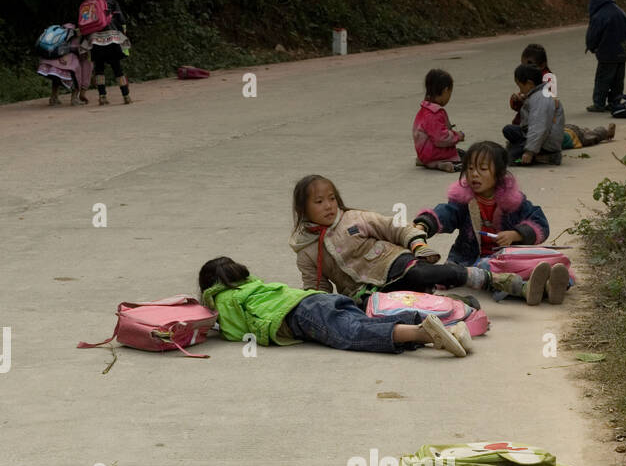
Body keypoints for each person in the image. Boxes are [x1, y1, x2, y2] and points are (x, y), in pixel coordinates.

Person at [290, 173, 514, 307]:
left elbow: (393, 227)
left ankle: (490, 279)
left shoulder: (353, 219)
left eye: (331, 199)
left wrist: (416, 242)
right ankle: (454, 304)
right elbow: (316, 286)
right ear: (303, 209)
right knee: (386, 307)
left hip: (392, 263)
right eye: (319, 202)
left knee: (422, 273)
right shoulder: (306, 250)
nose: (329, 205)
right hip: (364, 291)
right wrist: (316, 303)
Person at [198, 257, 473, 357]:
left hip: (301, 315)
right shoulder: (253, 285)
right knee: (365, 323)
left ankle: (423, 333)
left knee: (353, 334)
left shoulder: (224, 299)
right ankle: (447, 328)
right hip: (315, 300)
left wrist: (213, 323)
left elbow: (234, 331)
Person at [413, 140, 567, 305]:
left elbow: (540, 223)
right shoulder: (464, 200)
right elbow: (446, 213)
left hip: (507, 258)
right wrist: (424, 224)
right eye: (470, 168)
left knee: (547, 264)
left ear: (500, 174)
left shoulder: (514, 201)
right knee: (472, 269)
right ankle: (526, 289)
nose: (474, 174)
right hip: (471, 261)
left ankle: (552, 286)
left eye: (483, 169)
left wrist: (516, 234)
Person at [503, 65, 565, 166]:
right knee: (508, 130)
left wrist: (529, 152)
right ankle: (526, 149)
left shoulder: (541, 98)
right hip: (538, 137)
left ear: (529, 84)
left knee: (508, 159)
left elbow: (539, 127)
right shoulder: (537, 95)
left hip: (546, 143)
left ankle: (545, 157)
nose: (520, 90)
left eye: (520, 86)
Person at [84, 0, 132, 105]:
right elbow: (121, 20)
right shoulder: (112, 2)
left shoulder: (90, 4)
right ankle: (126, 95)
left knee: (99, 69)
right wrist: (124, 35)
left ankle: (102, 97)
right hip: (111, 39)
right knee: (117, 68)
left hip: (95, 41)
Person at [585, 0, 626, 112]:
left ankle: (599, 104)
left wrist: (591, 46)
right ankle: (614, 102)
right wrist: (625, 46)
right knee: (618, 79)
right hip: (622, 51)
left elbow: (593, 34)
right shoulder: (620, 11)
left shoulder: (599, 15)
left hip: (607, 53)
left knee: (603, 79)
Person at [413, 69, 465, 171]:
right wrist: (457, 136)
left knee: (458, 152)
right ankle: (442, 163)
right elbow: (441, 139)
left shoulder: (424, 109)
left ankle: (431, 163)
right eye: (449, 94)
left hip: (424, 152)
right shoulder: (434, 113)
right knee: (468, 157)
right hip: (433, 153)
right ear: (445, 91)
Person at [36, 23, 92, 107]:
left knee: (56, 78)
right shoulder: (84, 32)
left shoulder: (66, 28)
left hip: (55, 57)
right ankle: (74, 99)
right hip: (69, 59)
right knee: (77, 76)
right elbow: (82, 53)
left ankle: (53, 98)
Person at [509, 43, 557, 125]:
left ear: (542, 65)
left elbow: (544, 102)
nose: (525, 67)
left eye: (530, 64)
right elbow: (523, 94)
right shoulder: (527, 74)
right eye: (523, 64)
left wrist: (525, 98)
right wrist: (517, 99)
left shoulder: (548, 78)